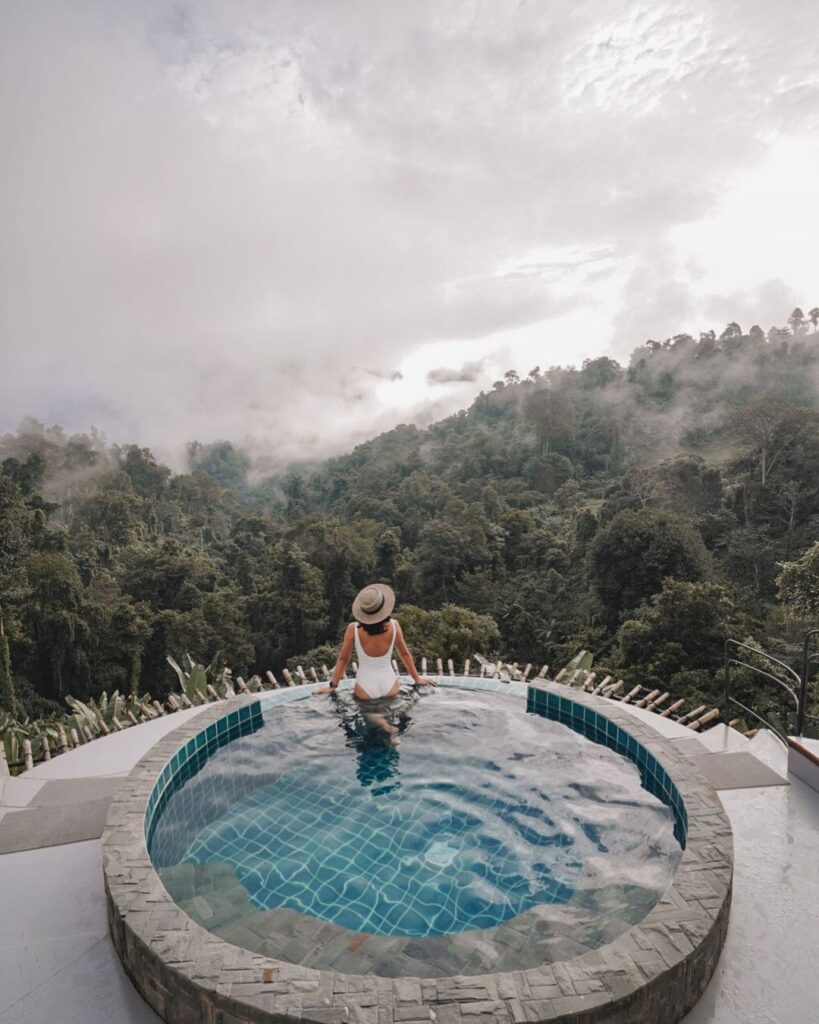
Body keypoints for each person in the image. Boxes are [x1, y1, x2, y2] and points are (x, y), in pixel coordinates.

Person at [315, 584, 435, 738]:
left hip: (365, 687)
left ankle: (384, 725)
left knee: (368, 712)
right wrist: (417, 678)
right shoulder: (394, 625)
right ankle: (390, 727)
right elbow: (404, 654)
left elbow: (343, 659)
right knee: (391, 709)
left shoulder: (353, 629)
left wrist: (332, 686)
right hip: (390, 684)